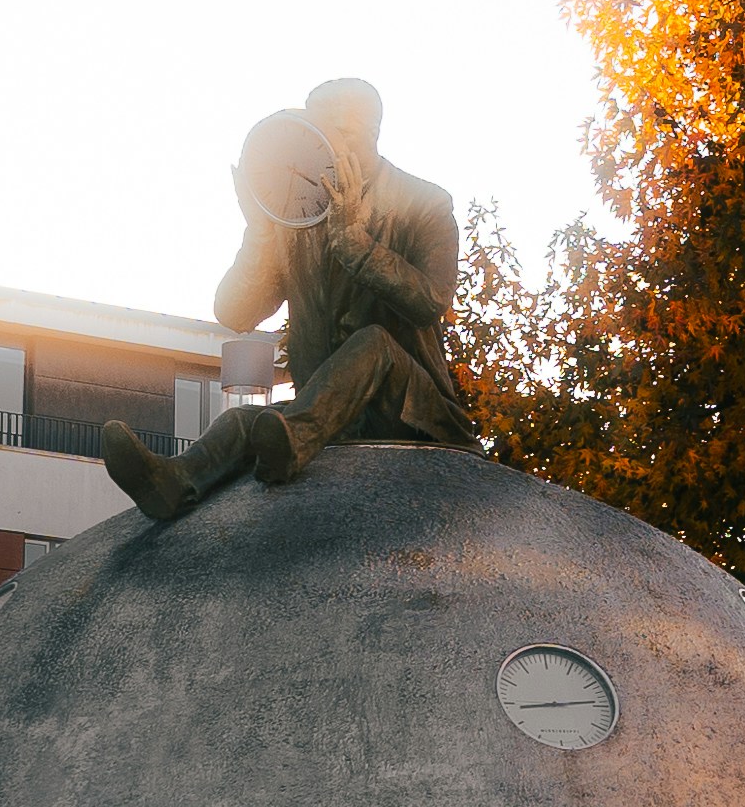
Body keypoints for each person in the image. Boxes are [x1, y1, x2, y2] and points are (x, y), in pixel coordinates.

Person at [102, 79, 476, 527]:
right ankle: (174, 480)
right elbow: (235, 313)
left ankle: (293, 441)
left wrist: (355, 246)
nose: (336, 147)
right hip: (328, 412)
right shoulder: (298, 214)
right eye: (325, 134)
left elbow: (430, 300)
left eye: (347, 133)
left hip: (409, 413)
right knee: (240, 422)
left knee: (373, 342)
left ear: (374, 132)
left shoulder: (424, 203)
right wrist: (260, 228)